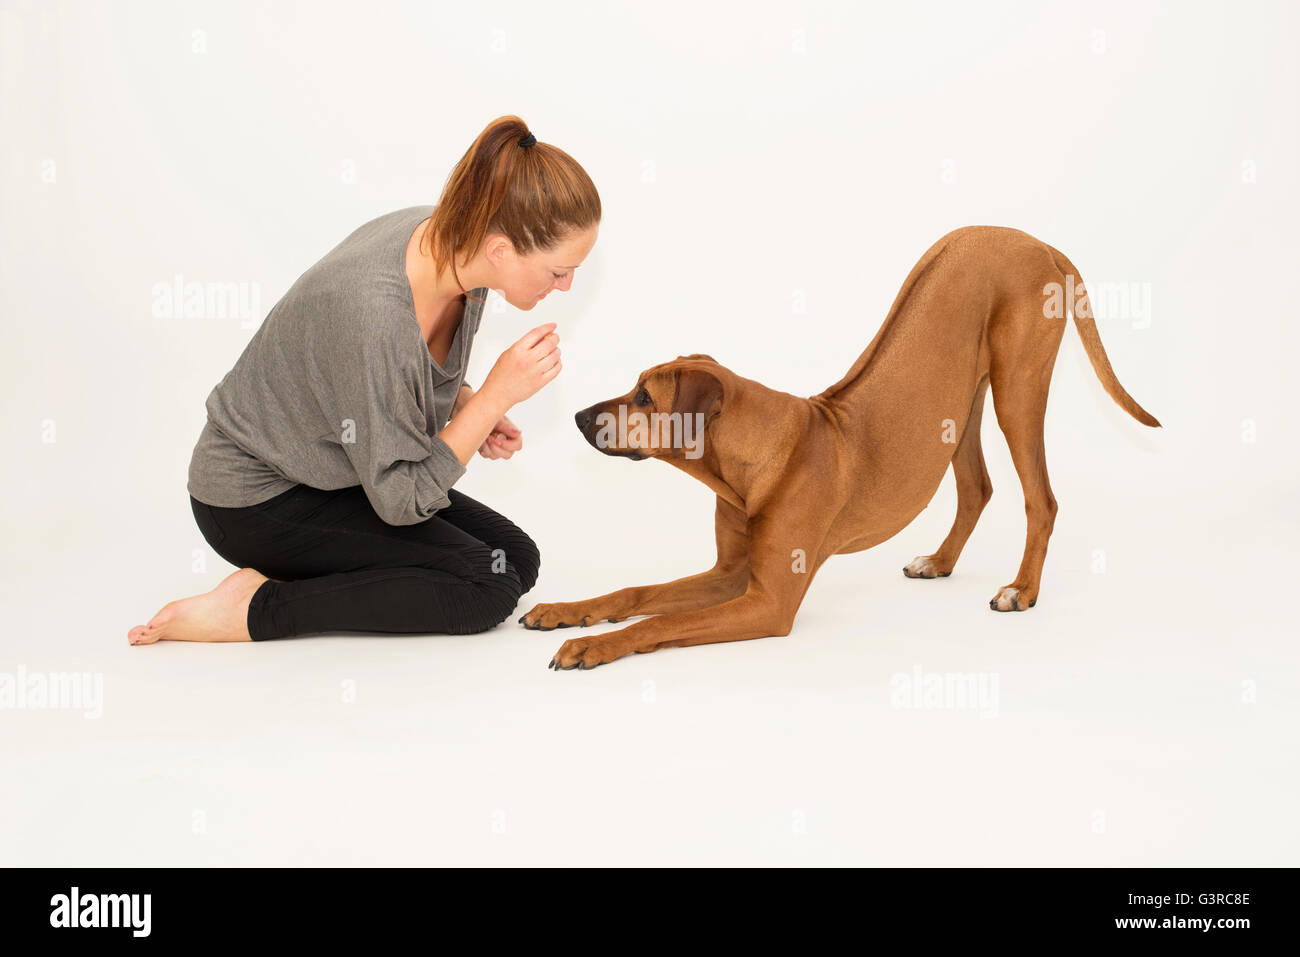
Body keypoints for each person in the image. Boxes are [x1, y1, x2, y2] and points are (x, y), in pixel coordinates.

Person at [127, 116, 600, 645]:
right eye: (559, 271)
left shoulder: (454, 249)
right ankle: (252, 610)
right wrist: (490, 401)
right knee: (485, 586)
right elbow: (400, 501)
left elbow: (382, 383)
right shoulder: (374, 313)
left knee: (514, 560)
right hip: (255, 500)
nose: (566, 285)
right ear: (500, 249)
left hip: (341, 470)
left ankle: (312, 572)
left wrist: (463, 403)